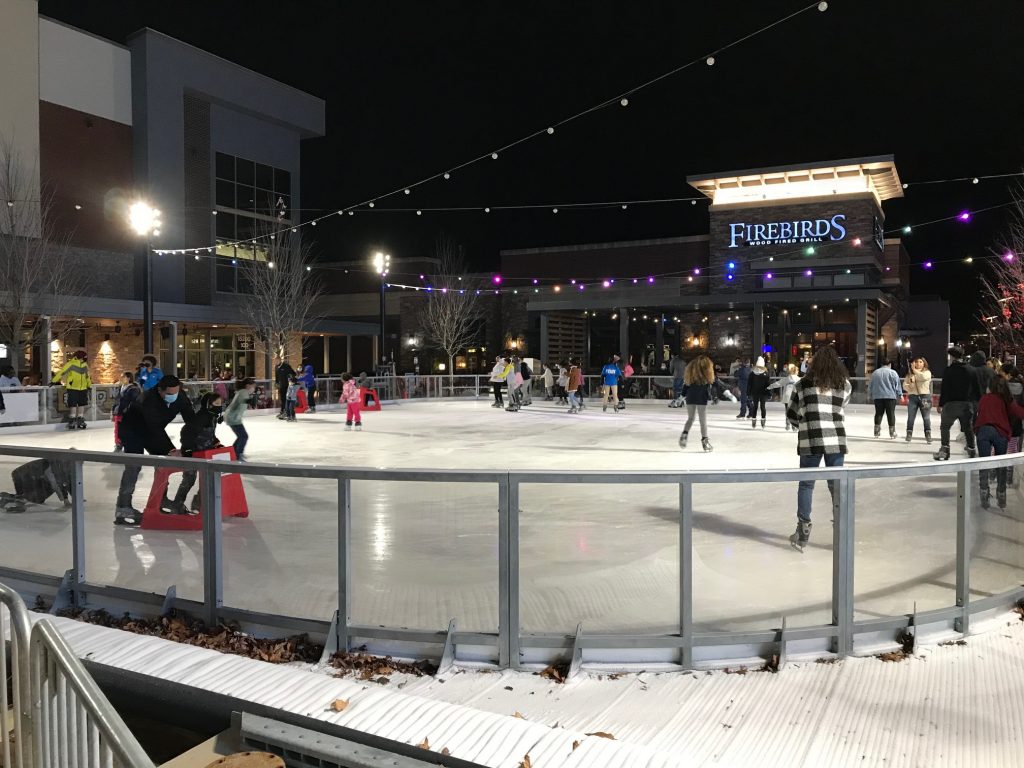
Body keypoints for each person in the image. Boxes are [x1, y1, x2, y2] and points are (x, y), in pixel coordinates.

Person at [786, 346, 851, 552]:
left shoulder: (802, 384)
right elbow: (841, 407)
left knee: (806, 485)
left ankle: (803, 528)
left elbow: (792, 413)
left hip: (810, 439)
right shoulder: (844, 385)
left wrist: (803, 422)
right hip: (835, 440)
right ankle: (841, 530)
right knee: (836, 486)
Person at [115, 374, 196, 526]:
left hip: (153, 430)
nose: (174, 396)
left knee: (165, 463)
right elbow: (153, 427)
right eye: (170, 394)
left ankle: (161, 500)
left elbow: (191, 421)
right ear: (160, 390)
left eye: (177, 392)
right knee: (134, 466)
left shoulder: (180, 397)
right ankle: (123, 507)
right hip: (132, 430)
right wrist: (171, 450)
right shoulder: (147, 399)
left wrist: (192, 442)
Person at [159, 392, 224, 515]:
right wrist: (188, 449)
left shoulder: (212, 417)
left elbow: (209, 434)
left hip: (205, 452)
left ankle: (198, 502)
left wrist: (217, 443)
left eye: (220, 403)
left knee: (207, 479)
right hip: (193, 453)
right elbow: (186, 431)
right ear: (208, 405)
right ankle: (178, 504)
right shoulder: (202, 417)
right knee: (189, 478)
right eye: (216, 404)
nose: (219, 406)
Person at [975, 376, 1024, 509]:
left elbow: (978, 412)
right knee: (1000, 464)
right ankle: (1001, 494)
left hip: (984, 431)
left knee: (984, 463)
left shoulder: (985, 398)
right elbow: (1020, 413)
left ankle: (984, 492)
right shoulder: (1008, 399)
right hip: (1000, 433)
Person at [935, 347, 977, 460]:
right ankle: (972, 449)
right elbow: (976, 389)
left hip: (951, 404)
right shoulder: (971, 370)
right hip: (966, 404)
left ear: (952, 357)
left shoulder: (949, 370)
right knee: (968, 428)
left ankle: (945, 450)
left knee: (945, 427)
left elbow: (944, 389)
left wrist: (940, 404)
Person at [0, 456, 74, 513]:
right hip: (22, 476)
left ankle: (11, 498)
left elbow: (64, 482)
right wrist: (65, 499)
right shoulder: (53, 464)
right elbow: (55, 483)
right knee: (30, 497)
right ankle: (10, 499)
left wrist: (71, 497)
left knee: (38, 499)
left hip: (25, 476)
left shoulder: (60, 465)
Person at [679, 355, 715, 452]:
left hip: (690, 398)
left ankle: (684, 434)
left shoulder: (690, 377)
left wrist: (681, 397)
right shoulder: (706, 377)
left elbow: (685, 387)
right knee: (702, 421)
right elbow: (713, 385)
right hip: (701, 398)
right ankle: (705, 442)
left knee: (691, 418)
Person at [51, 350, 92, 430]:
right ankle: (72, 419)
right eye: (83, 358)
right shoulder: (70, 364)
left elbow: (87, 376)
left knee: (81, 404)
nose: (84, 359)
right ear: (79, 357)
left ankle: (80, 418)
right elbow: (61, 372)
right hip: (73, 388)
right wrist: (54, 381)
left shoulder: (85, 365)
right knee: (73, 404)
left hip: (83, 388)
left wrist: (89, 385)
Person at [224, 377, 255, 460]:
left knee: (241, 436)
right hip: (233, 418)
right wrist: (248, 401)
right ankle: (238, 454)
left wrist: (248, 402)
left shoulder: (242, 392)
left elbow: (241, 402)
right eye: (253, 386)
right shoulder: (243, 392)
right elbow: (241, 402)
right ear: (248, 385)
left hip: (232, 417)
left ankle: (234, 452)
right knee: (243, 436)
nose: (253, 388)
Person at [869, 359, 902, 439]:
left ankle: (876, 431)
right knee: (890, 414)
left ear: (881, 364)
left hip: (878, 396)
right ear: (890, 364)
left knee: (878, 413)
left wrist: (870, 394)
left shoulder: (875, 373)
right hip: (890, 396)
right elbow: (897, 384)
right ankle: (892, 432)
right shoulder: (893, 373)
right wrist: (900, 394)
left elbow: (871, 385)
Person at [904, 357, 933, 443]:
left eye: (921, 362)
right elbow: (905, 385)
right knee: (911, 417)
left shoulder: (927, 372)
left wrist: (914, 371)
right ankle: (909, 433)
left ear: (924, 363)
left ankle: (928, 434)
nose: (918, 364)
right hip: (913, 397)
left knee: (926, 417)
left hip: (925, 397)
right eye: (916, 362)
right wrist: (910, 385)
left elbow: (923, 377)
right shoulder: (910, 374)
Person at [111, 371, 141, 452]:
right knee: (117, 430)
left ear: (128, 378)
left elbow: (135, 402)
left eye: (123, 377)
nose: (121, 378)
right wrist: (113, 411)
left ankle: (128, 444)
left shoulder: (133, 389)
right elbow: (116, 401)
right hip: (119, 412)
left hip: (127, 414)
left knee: (127, 430)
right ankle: (119, 444)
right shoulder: (120, 388)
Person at [769, 364, 801, 430]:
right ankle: (794, 426)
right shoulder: (798, 379)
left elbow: (778, 383)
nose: (798, 372)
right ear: (795, 371)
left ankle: (787, 425)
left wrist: (770, 386)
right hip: (794, 397)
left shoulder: (787, 378)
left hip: (787, 397)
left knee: (787, 411)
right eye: (797, 371)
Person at [747, 356, 771, 429]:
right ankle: (762, 420)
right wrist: (769, 393)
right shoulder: (765, 374)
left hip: (756, 393)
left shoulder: (752, 373)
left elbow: (749, 384)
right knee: (762, 407)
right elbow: (768, 385)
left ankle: (755, 420)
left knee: (756, 406)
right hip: (762, 393)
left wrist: (748, 393)